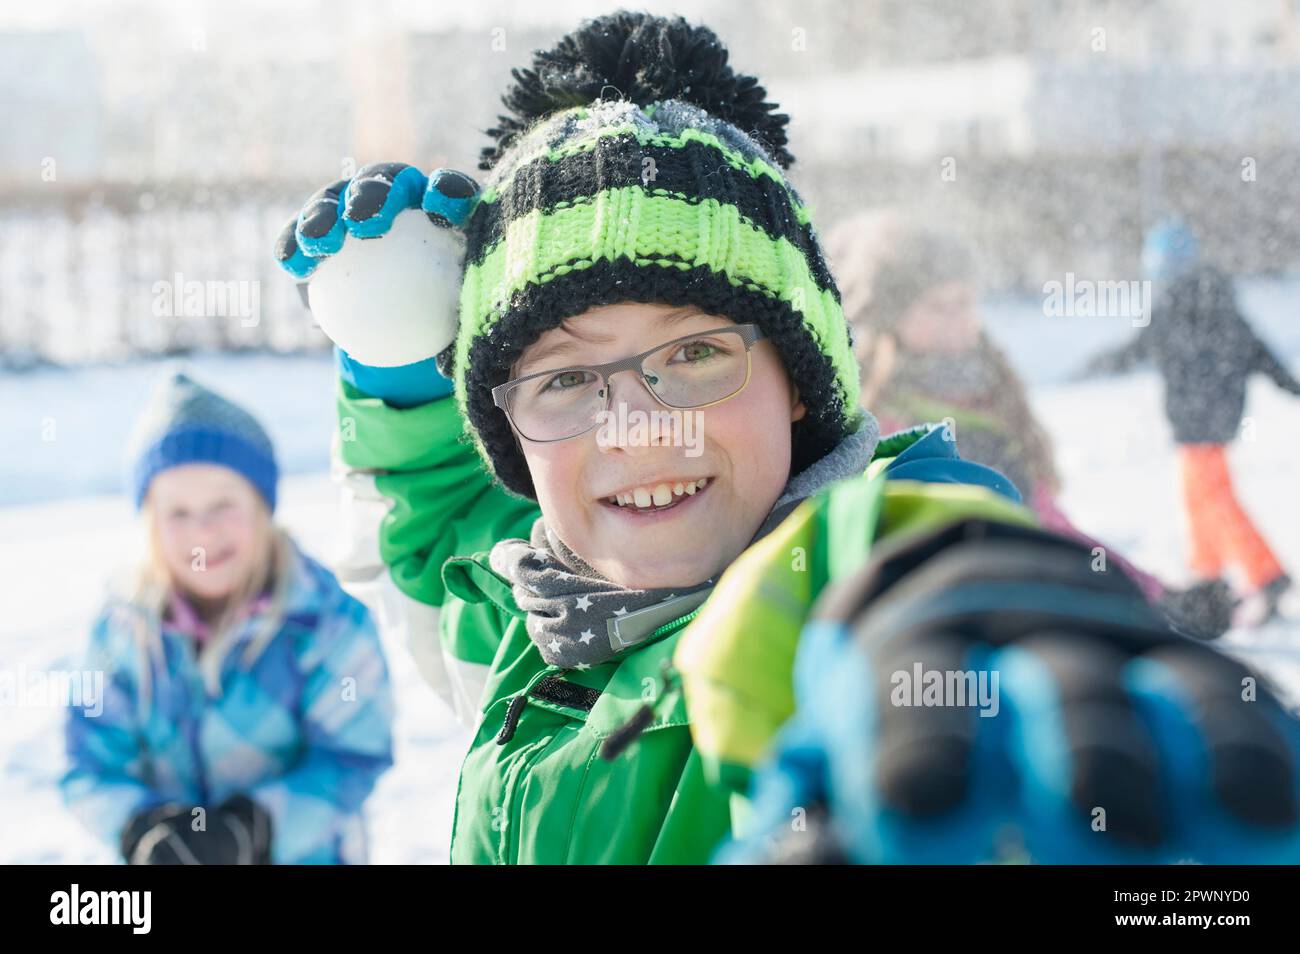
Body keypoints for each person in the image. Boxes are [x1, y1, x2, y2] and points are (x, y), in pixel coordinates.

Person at [275, 11, 1299, 863]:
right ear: (507, 424)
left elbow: (895, 551)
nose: (635, 424)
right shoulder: (526, 624)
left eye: (693, 355)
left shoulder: (828, 586)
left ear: (801, 386)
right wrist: (402, 377)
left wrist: (969, 607)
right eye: (568, 377)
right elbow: (441, 523)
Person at [61, 371, 394, 864]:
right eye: (178, 512)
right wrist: (139, 828)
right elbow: (88, 767)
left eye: (223, 504)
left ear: (261, 506)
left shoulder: (327, 621)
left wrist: (254, 828)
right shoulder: (121, 631)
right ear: (150, 524)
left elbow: (353, 756)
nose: (204, 531)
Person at [1081, 220, 1300, 623]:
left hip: (1197, 418)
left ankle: (1267, 575)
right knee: (1199, 497)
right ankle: (1208, 575)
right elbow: (1258, 351)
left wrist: (1098, 365)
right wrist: (1291, 385)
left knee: (1213, 498)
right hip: (1215, 417)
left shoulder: (1175, 303)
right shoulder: (1219, 298)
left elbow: (1138, 349)